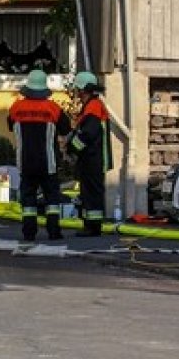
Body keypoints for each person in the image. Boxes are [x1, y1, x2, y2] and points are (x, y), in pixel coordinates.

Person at [8, 69, 72, 242]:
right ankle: (53, 232)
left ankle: (29, 233)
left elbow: (10, 125)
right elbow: (66, 129)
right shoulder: (53, 108)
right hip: (48, 162)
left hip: (25, 162)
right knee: (52, 198)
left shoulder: (16, 108)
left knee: (28, 198)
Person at [68, 70, 113, 237]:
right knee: (88, 192)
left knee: (92, 192)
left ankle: (93, 227)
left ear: (83, 90)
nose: (77, 94)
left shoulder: (93, 107)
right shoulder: (92, 106)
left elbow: (87, 134)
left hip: (93, 158)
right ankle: (90, 225)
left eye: (78, 90)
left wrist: (72, 147)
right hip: (91, 157)